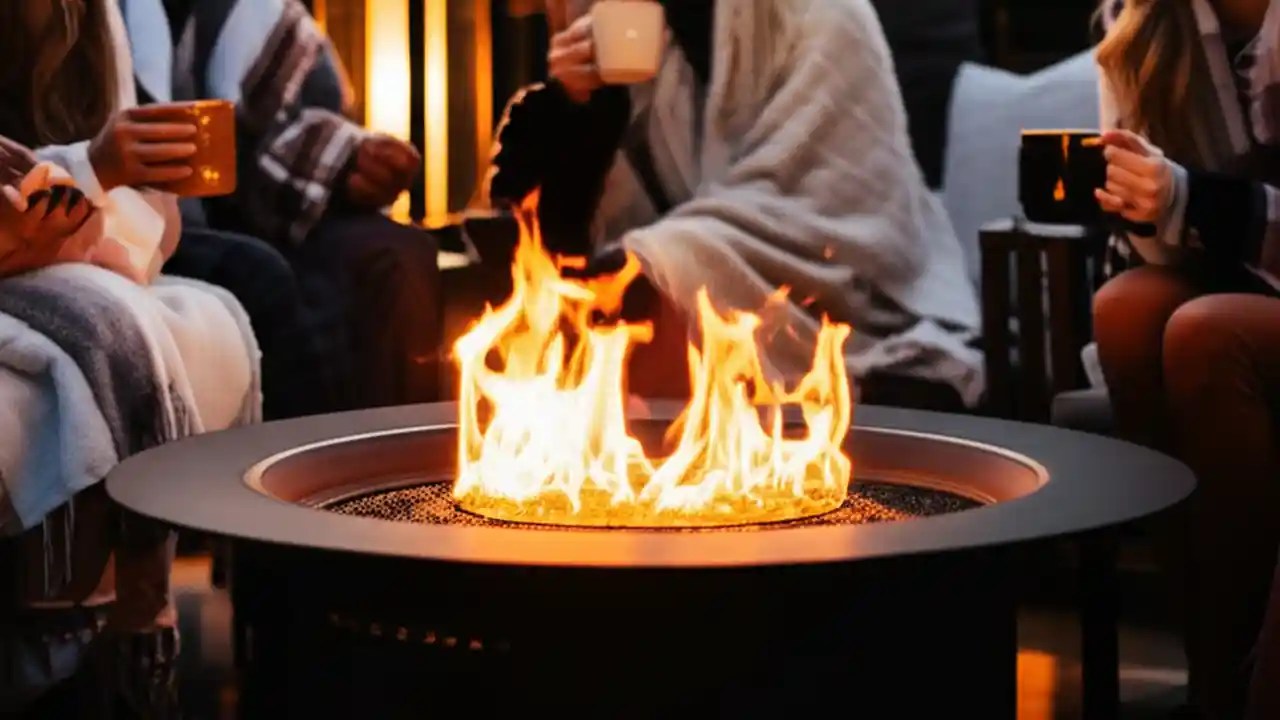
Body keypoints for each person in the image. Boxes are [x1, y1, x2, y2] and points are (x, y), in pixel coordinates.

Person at [486, 0, 983, 409]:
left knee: (647, 279)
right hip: (691, 268)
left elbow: (848, 214)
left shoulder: (827, 15)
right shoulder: (636, 31)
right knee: (604, 290)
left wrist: (674, 258)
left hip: (840, 291)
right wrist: (580, 104)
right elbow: (553, 237)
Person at [0, 1, 261, 716]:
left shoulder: (92, 21)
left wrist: (121, 185)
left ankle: (288, 627)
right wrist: (94, 171)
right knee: (115, 315)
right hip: (55, 221)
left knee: (267, 277)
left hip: (69, 216)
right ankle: (119, 629)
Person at [1092, 0, 1280, 716]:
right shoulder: (1133, 16)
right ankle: (1211, 661)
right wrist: (1149, 202)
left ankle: (1244, 673)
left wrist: (1192, 200)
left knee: (1207, 332)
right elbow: (1160, 243)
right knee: (1127, 309)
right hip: (1235, 267)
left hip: (1243, 289)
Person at [120, 0, 444, 409]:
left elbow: (285, 127)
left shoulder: (249, 11)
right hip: (133, 219)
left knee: (398, 255)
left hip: (250, 204)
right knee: (258, 273)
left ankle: (411, 463)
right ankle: (311, 469)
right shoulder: (90, 18)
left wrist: (348, 160)